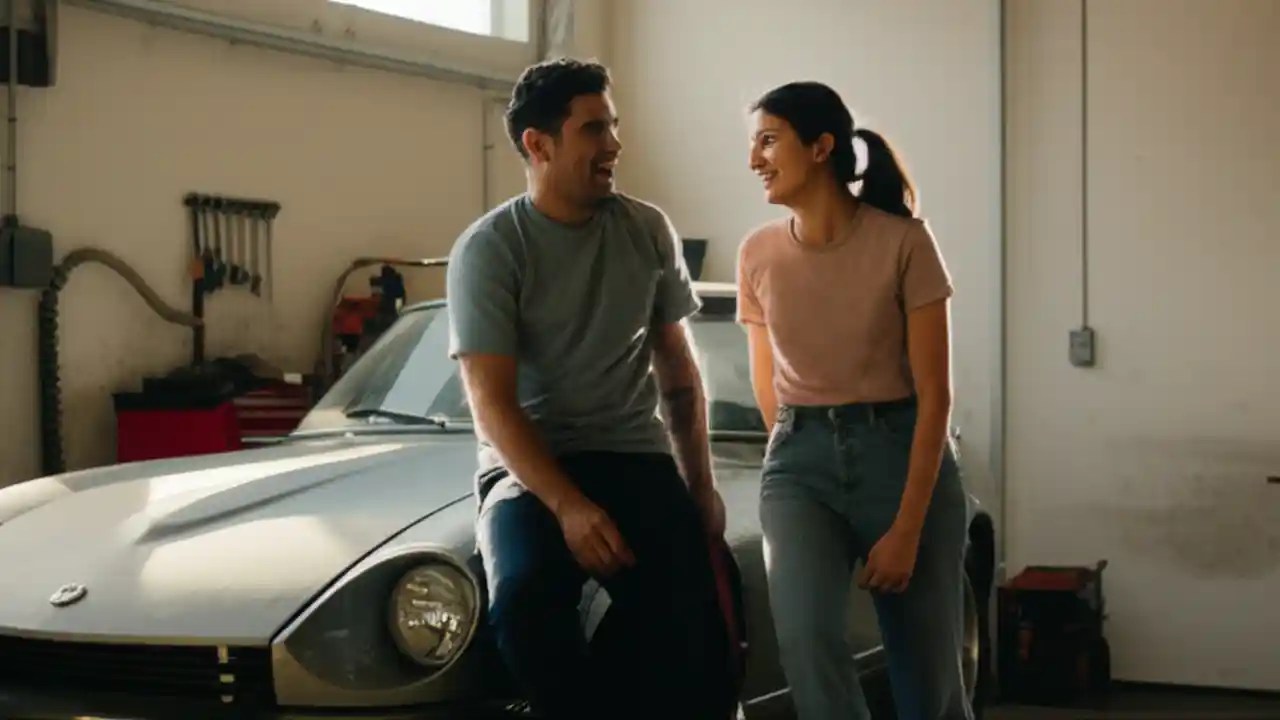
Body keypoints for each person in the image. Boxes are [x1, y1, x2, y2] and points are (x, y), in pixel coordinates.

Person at [446, 57, 733, 720]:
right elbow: (491, 402)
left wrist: (701, 488)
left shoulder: (647, 230)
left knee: (698, 622)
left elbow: (680, 381)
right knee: (521, 600)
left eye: (614, 126)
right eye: (594, 129)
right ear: (538, 146)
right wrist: (570, 508)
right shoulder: (490, 249)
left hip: (634, 454)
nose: (614, 145)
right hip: (529, 472)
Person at [736, 81, 973, 720]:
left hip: (902, 457)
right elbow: (768, 384)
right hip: (798, 466)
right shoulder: (757, 253)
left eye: (767, 140)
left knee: (928, 684)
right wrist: (792, 445)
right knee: (807, 643)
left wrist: (906, 527)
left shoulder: (904, 242)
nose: (754, 158)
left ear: (821, 147)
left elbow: (936, 395)